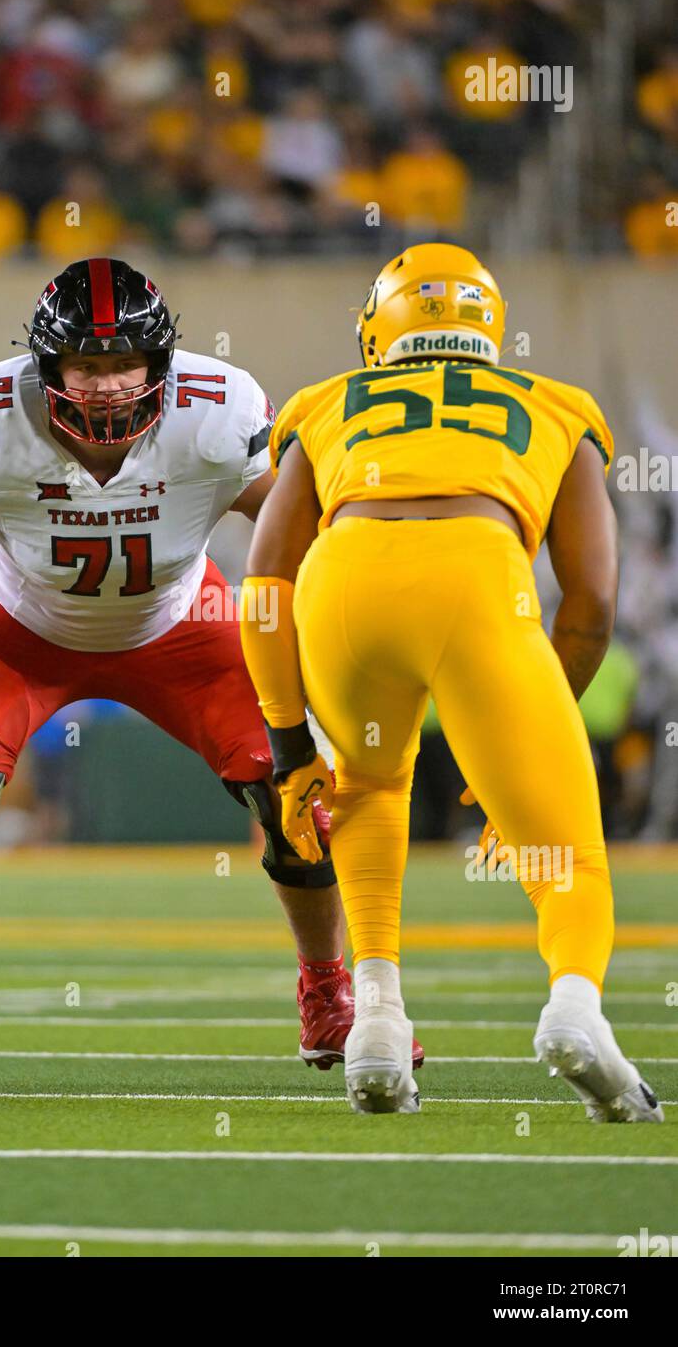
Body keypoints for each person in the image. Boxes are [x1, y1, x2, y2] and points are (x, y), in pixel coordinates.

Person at [0, 258, 425, 1090]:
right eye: (87, 365)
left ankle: (326, 997)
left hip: (182, 624)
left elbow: (313, 534)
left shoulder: (217, 418)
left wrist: (328, 657)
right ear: (48, 369)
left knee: (297, 787)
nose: (108, 385)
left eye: (124, 364)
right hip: (14, 627)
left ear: (161, 365)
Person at [239, 242, 663, 1121]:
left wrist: (287, 749)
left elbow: (265, 580)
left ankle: (379, 1019)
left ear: (378, 327)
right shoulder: (554, 405)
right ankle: (574, 1009)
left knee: (366, 783)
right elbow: (589, 602)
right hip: (477, 577)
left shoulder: (327, 402)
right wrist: (534, 726)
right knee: (568, 850)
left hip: (344, 579)